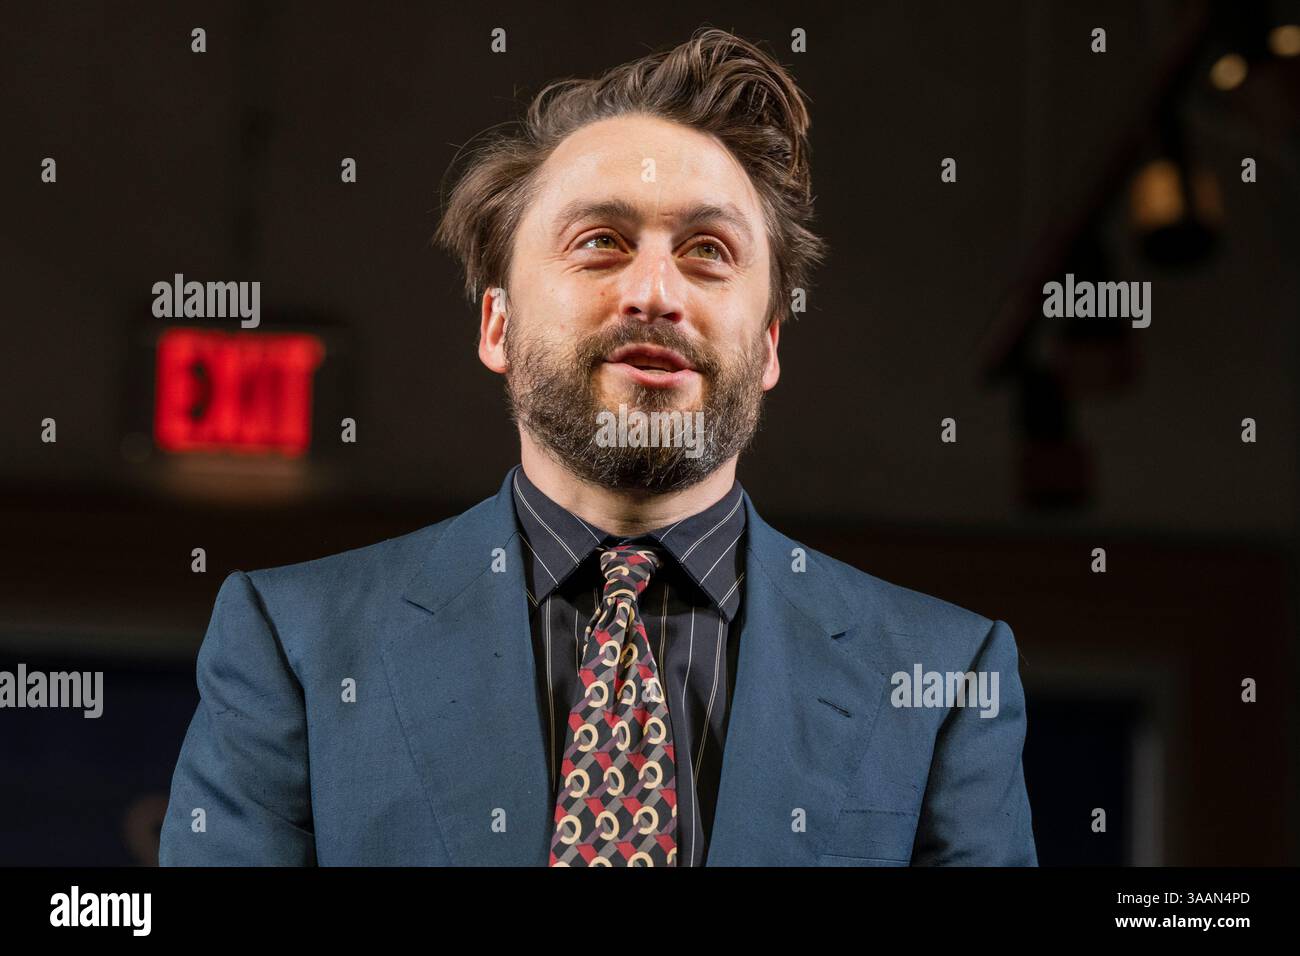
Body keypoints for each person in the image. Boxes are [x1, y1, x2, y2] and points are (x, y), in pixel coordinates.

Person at [160, 26, 1036, 866]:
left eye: (708, 251)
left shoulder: (944, 679)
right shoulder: (295, 647)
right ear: (497, 324)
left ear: (769, 344)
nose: (654, 292)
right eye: (600, 243)